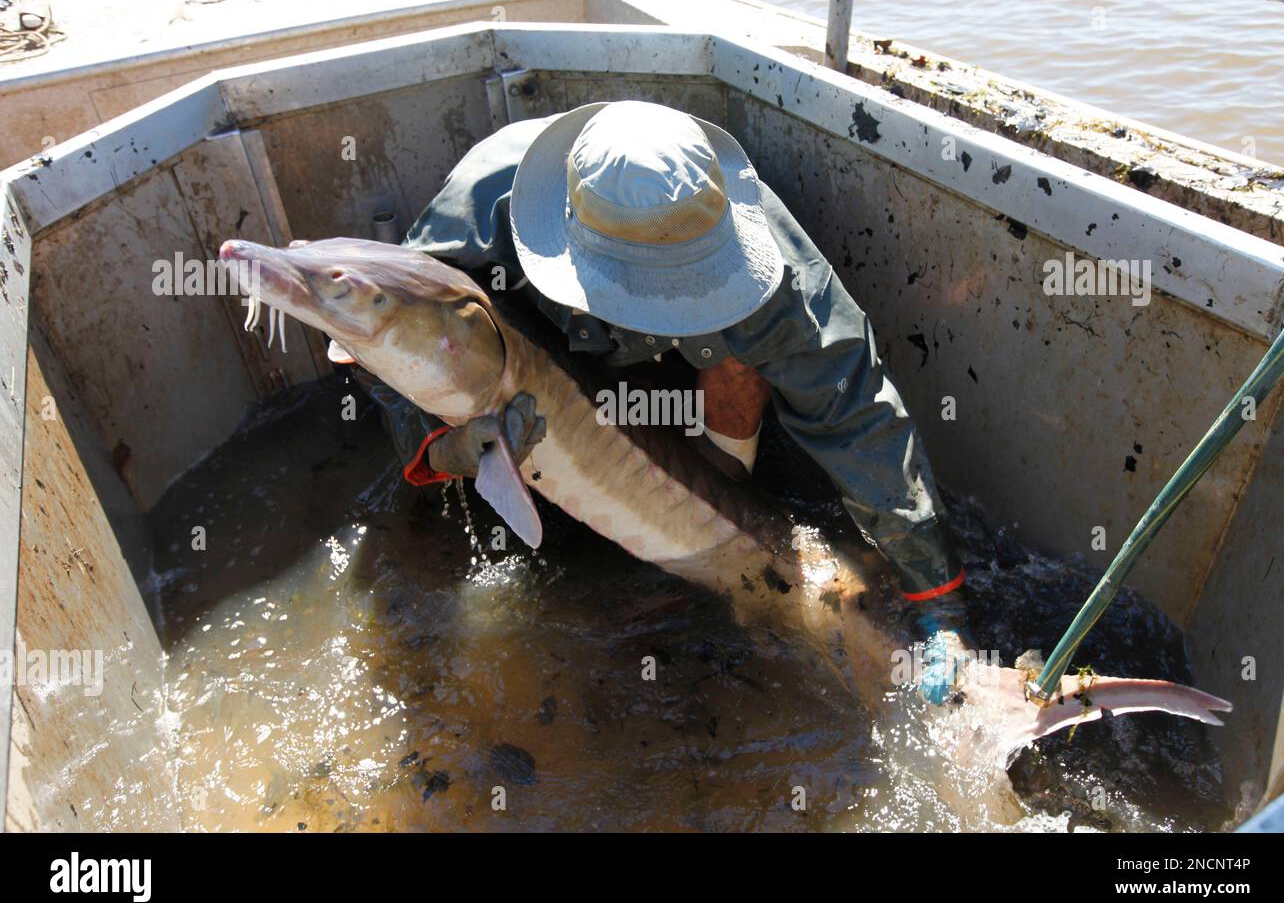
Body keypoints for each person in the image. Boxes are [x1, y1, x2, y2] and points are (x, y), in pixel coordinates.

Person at [355, 100, 971, 703]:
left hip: (681, 385)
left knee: (739, 368)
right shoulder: (472, 225)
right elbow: (385, 356)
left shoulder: (770, 260)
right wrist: (440, 450)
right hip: (534, 394)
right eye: (649, 291)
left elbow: (856, 413)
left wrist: (934, 595)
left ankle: (716, 518)